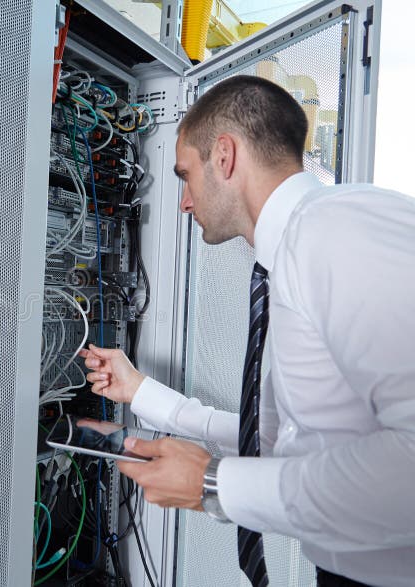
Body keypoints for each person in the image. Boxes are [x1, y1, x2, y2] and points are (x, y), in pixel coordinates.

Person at [79, 75, 415, 587]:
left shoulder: (336, 231)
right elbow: (280, 441)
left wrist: (213, 482)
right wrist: (141, 397)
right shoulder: (301, 248)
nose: (184, 202)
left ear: (225, 156)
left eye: (186, 175)